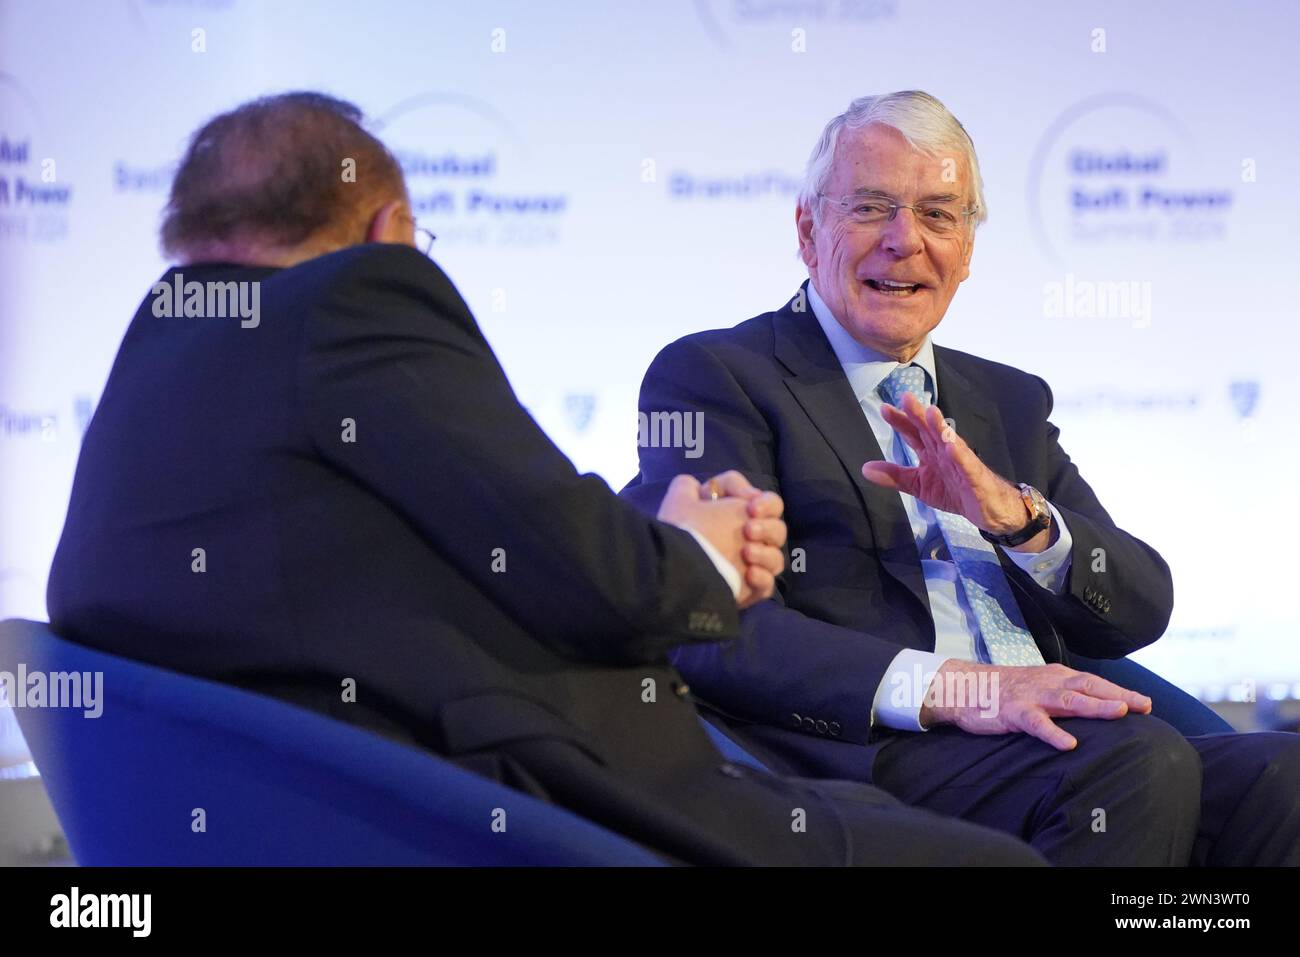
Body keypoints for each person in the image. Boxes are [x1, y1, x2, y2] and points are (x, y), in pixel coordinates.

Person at [45, 91, 1044, 866]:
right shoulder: (357, 297)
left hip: (318, 804)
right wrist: (694, 550)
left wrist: (655, 528)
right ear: (389, 227)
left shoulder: (168, 339)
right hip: (512, 805)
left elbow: (440, 551)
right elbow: (583, 568)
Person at [622, 90, 1300, 865]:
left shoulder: (1005, 398)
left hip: (1056, 744)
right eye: (872, 207)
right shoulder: (721, 376)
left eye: (939, 214)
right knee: (1136, 761)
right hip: (877, 751)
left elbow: (1139, 604)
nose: (905, 241)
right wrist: (969, 687)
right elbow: (705, 620)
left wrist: (1018, 517)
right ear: (809, 231)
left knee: (1281, 774)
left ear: (968, 249)